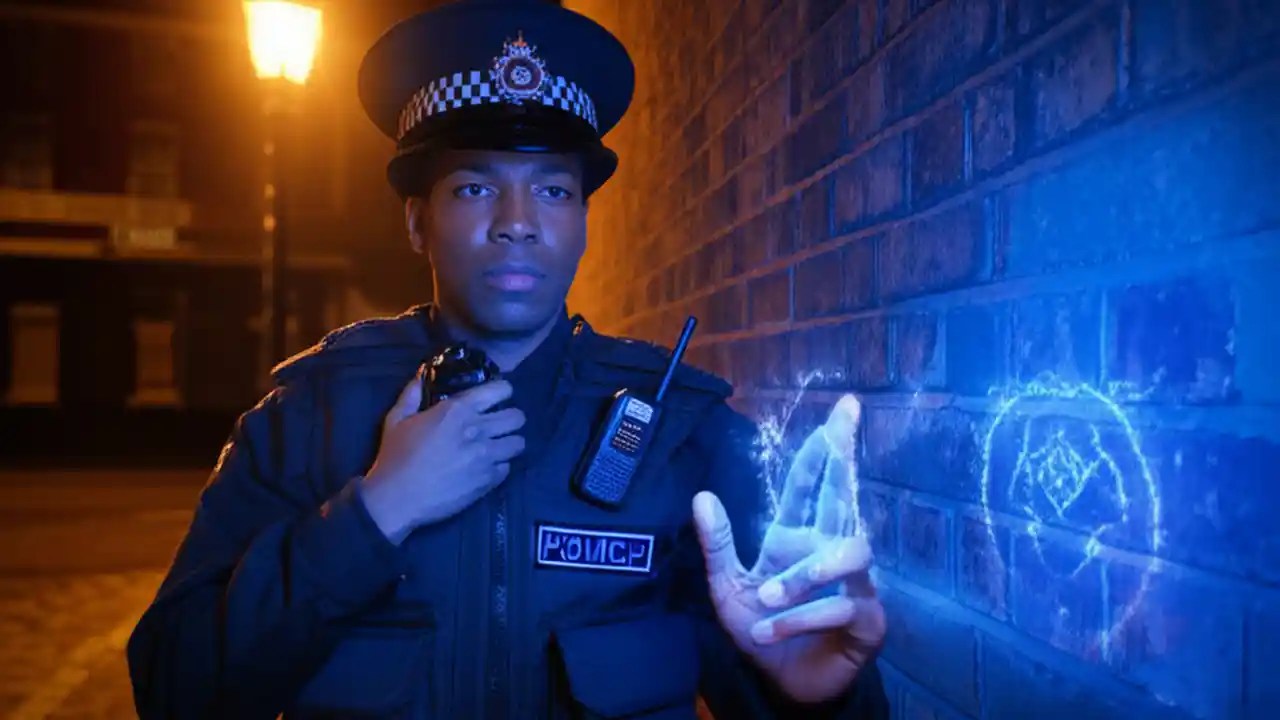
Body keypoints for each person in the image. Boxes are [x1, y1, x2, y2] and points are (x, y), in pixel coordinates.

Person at [126, 1, 890, 717]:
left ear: (585, 222)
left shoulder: (682, 433)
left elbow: (786, 662)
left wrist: (815, 698)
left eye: (553, 189)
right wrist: (375, 513)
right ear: (417, 222)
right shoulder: (305, 421)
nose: (517, 223)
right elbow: (172, 686)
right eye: (473, 187)